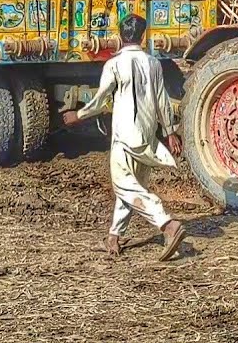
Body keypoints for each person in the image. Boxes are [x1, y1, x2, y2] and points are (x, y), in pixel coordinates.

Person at [61, 14, 188, 260]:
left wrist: (78, 114)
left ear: (121, 36)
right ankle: (114, 236)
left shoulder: (114, 64)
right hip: (148, 134)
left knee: (123, 185)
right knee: (132, 187)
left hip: (125, 136)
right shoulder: (154, 63)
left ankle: (168, 225)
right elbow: (163, 101)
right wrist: (171, 133)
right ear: (143, 36)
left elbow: (100, 100)